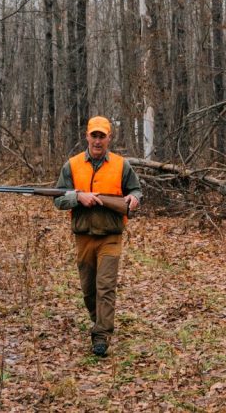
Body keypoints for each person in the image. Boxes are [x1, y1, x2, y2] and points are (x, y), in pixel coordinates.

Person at [53, 116, 142, 357]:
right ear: (87, 136)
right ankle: (98, 320)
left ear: (109, 138)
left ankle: (101, 335)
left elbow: (135, 189)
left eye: (103, 136)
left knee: (105, 286)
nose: (98, 140)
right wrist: (77, 197)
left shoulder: (121, 165)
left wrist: (134, 199)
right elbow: (58, 199)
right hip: (83, 235)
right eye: (95, 135)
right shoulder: (71, 165)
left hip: (110, 235)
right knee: (89, 289)